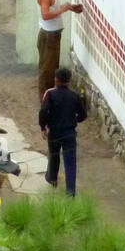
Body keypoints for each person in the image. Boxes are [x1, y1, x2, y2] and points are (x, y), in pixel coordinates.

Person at [36, 0, 82, 100]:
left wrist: (70, 7)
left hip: (54, 35)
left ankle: (50, 95)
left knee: (52, 67)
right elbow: (46, 15)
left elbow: (55, 9)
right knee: (47, 70)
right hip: (48, 36)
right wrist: (64, 9)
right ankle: (44, 99)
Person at [40, 67, 87, 196]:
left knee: (54, 156)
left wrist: (43, 127)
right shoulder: (74, 96)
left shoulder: (50, 94)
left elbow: (43, 111)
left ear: (56, 79)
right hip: (69, 133)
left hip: (54, 132)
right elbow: (83, 115)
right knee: (70, 162)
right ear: (69, 80)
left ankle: (52, 180)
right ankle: (70, 192)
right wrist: (74, 120)